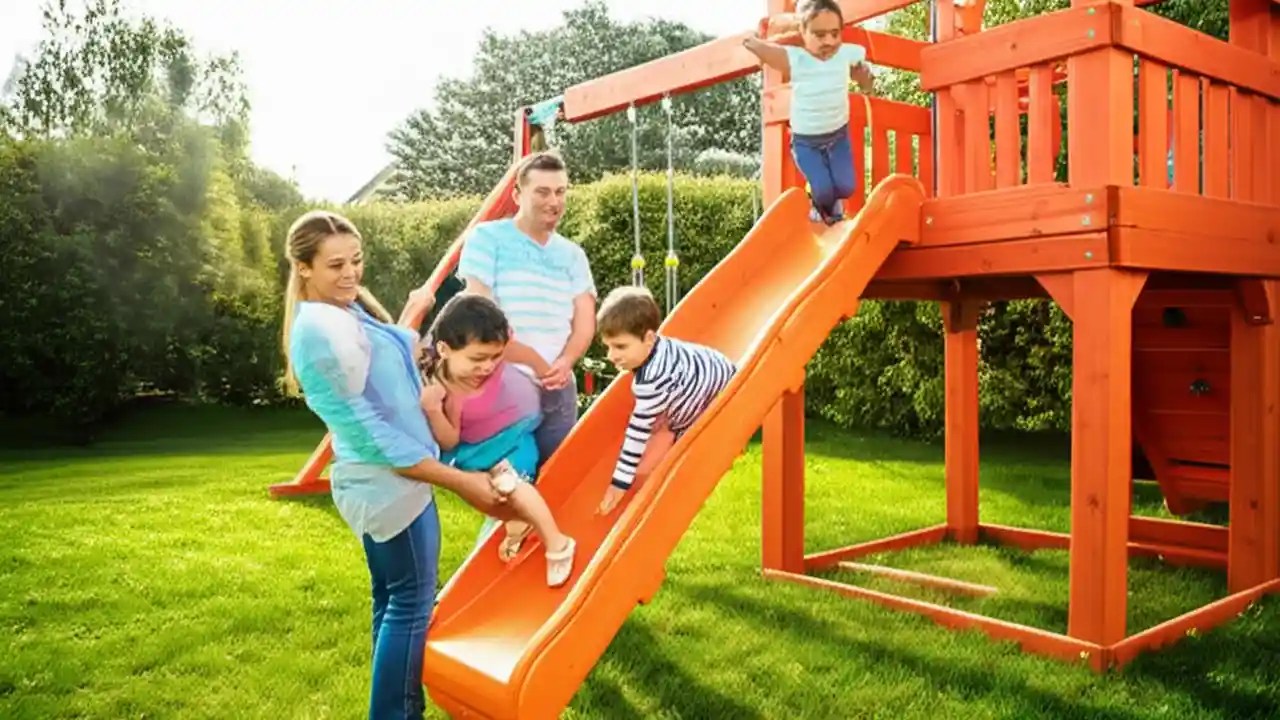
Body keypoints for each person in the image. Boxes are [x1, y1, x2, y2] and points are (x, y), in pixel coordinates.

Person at [281, 210, 514, 720]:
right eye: (335, 265)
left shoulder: (345, 315)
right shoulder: (324, 333)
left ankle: (388, 711)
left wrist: (411, 318)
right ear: (302, 267)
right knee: (411, 607)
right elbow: (373, 436)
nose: (350, 274)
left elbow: (383, 381)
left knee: (392, 602)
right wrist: (460, 482)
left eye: (356, 260)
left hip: (382, 486)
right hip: (392, 489)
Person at [417, 294, 576, 586]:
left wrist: (547, 375)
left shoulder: (497, 353)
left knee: (510, 487)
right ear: (444, 349)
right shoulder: (442, 385)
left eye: (495, 357)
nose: (488, 367)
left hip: (515, 439)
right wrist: (432, 410)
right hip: (478, 454)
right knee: (499, 497)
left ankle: (558, 545)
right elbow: (450, 440)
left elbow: (524, 354)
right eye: (478, 359)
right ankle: (514, 534)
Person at [454, 150, 597, 466]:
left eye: (560, 192)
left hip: (558, 382)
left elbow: (585, 320)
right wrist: (532, 361)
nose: (554, 201)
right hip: (504, 375)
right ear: (518, 195)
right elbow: (479, 315)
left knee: (556, 475)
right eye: (542, 192)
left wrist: (565, 362)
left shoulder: (573, 255)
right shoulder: (488, 238)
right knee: (516, 478)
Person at [593, 286, 737, 515]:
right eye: (608, 347)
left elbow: (636, 434)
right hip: (722, 370)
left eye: (620, 346)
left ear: (648, 338)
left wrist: (619, 484)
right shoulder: (662, 347)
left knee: (649, 466)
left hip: (715, 404)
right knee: (657, 428)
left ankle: (647, 503)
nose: (611, 356)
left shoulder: (652, 381)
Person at [744, 0, 876, 224]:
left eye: (835, 33)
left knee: (847, 186)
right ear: (803, 33)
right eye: (819, 35)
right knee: (824, 189)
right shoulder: (797, 59)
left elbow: (866, 85)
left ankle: (829, 203)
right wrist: (751, 41)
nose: (829, 41)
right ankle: (821, 204)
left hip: (838, 136)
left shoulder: (847, 54)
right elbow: (770, 53)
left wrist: (864, 79)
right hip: (806, 142)